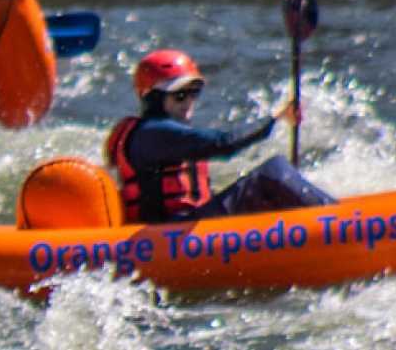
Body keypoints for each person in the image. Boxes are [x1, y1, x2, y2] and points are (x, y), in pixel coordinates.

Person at [104, 49, 332, 222]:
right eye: (180, 94)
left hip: (186, 226)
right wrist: (276, 117)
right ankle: (339, 222)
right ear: (150, 98)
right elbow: (224, 144)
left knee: (275, 190)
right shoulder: (151, 133)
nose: (189, 102)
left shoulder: (160, 134)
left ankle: (320, 221)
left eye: (194, 92)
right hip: (169, 233)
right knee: (274, 171)